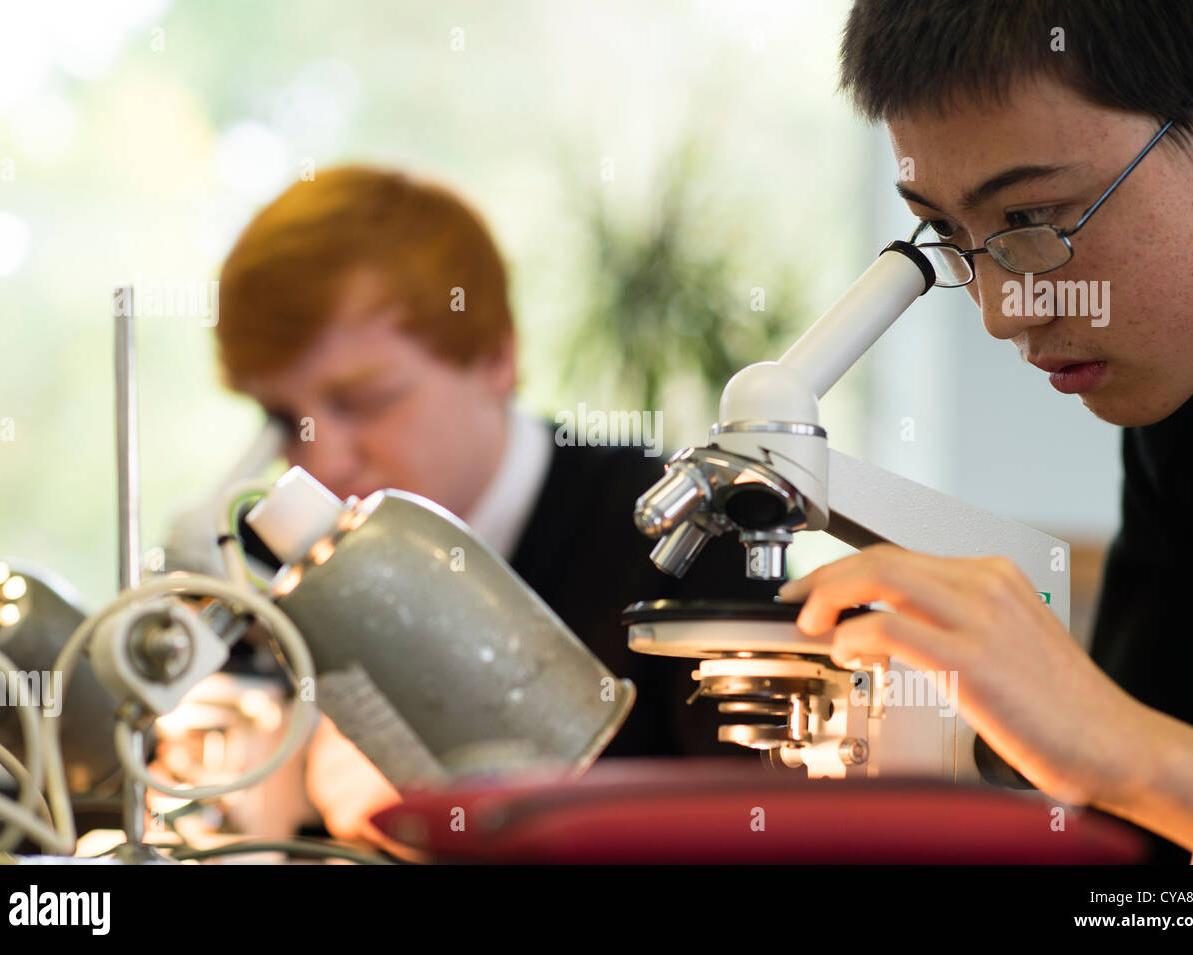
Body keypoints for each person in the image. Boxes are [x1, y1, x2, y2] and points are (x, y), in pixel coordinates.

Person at [779, 0, 1193, 863]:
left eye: (1035, 221)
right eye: (951, 233)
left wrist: (1123, 749)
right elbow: (1151, 851)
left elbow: (1143, 759)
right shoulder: (1187, 405)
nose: (1004, 311)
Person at [204, 166, 779, 844]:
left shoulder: (678, 537)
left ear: (495, 357)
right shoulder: (272, 573)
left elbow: (754, 830)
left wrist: (470, 810)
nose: (320, 459)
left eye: (361, 402)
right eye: (281, 415)